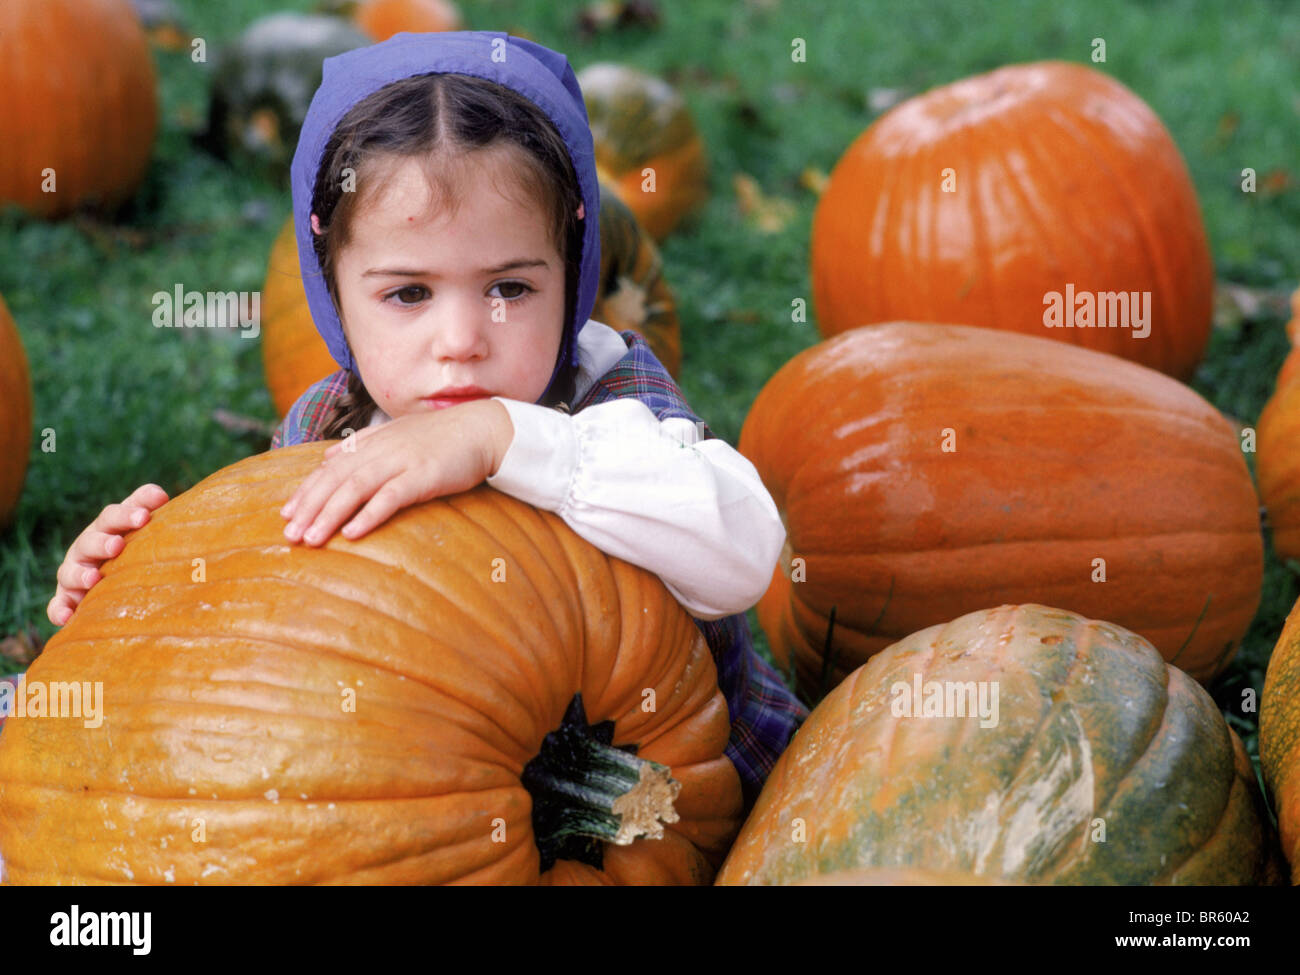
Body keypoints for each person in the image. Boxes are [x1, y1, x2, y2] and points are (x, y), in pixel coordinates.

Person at [48, 30, 805, 812]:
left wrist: (502, 438)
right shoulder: (326, 425)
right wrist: (132, 587)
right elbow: (263, 618)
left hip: (690, 803)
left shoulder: (607, 396)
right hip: (452, 798)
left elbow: (745, 550)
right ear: (334, 295)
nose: (461, 342)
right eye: (409, 294)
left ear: (573, 274)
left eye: (509, 287)